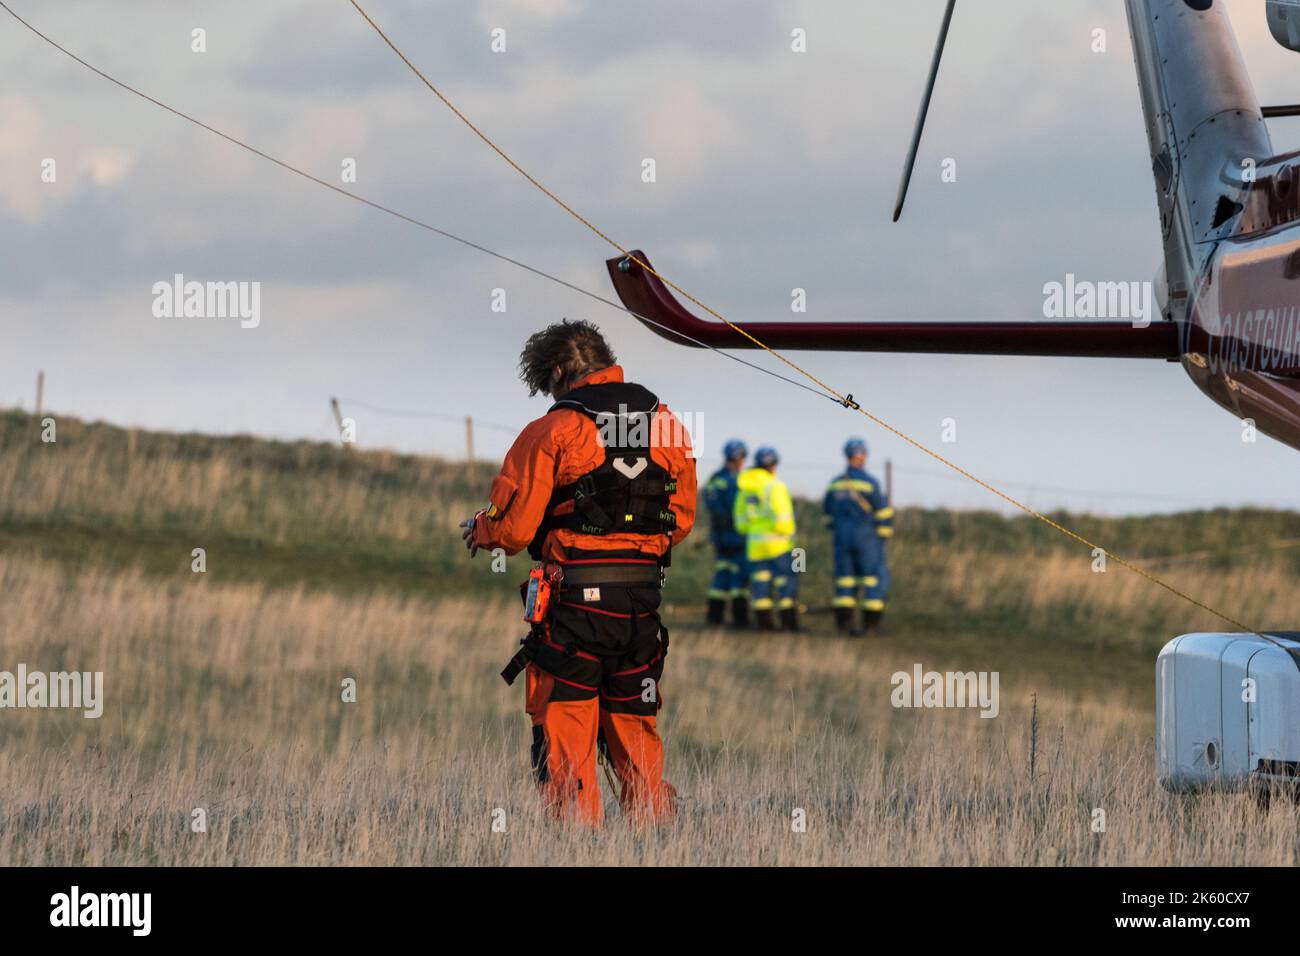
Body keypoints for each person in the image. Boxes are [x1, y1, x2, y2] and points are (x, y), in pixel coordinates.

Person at [459, 319, 696, 825]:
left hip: (573, 615)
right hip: (640, 609)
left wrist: (480, 530)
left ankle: (577, 844)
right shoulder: (669, 424)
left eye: (549, 383)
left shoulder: (552, 430)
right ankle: (657, 839)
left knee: (565, 739)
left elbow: (515, 530)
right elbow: (682, 521)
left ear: (561, 371)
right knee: (634, 730)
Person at [823, 438, 893, 636]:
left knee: (845, 580)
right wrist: (883, 535)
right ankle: (870, 627)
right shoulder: (870, 483)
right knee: (873, 579)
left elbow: (827, 514)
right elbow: (883, 513)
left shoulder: (835, 484)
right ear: (862, 455)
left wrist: (836, 529)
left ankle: (844, 626)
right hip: (865, 537)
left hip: (841, 537)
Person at [734, 446, 800, 632]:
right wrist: (789, 535)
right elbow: (784, 517)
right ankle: (789, 623)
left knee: (760, 584)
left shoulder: (744, 489)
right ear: (773, 465)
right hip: (779, 544)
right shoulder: (775, 486)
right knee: (786, 582)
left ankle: (764, 625)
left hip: (755, 545)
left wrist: (756, 529)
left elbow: (741, 524)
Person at [703, 440, 750, 628]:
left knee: (722, 574)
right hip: (736, 535)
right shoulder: (739, 480)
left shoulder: (715, 479)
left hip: (720, 536)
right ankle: (740, 619)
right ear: (741, 458)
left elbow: (711, 506)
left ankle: (714, 617)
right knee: (739, 577)